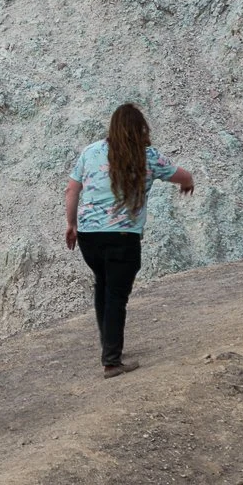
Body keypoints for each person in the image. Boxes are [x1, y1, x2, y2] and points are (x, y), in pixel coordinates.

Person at [66, 102, 195, 377]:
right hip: (123, 237)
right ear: (141, 129)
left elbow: (72, 189)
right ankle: (111, 361)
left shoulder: (90, 152)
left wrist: (71, 224)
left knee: (103, 286)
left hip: (89, 237)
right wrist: (187, 184)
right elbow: (184, 175)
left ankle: (109, 348)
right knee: (115, 295)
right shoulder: (148, 156)